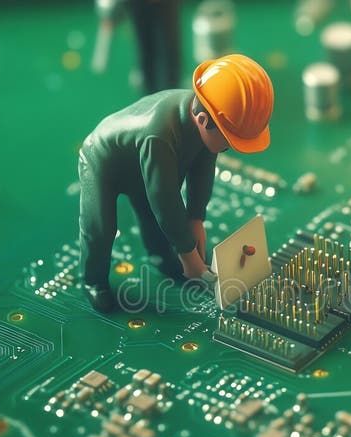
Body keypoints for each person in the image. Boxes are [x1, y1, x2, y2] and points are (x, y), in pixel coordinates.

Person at [78, 54, 274, 312]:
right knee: (100, 228)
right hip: (102, 161)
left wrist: (196, 219)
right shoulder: (159, 134)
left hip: (139, 162)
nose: (229, 148)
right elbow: (165, 198)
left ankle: (161, 259)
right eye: (229, 141)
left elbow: (202, 170)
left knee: (151, 218)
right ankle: (94, 281)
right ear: (204, 122)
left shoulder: (207, 113)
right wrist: (187, 253)